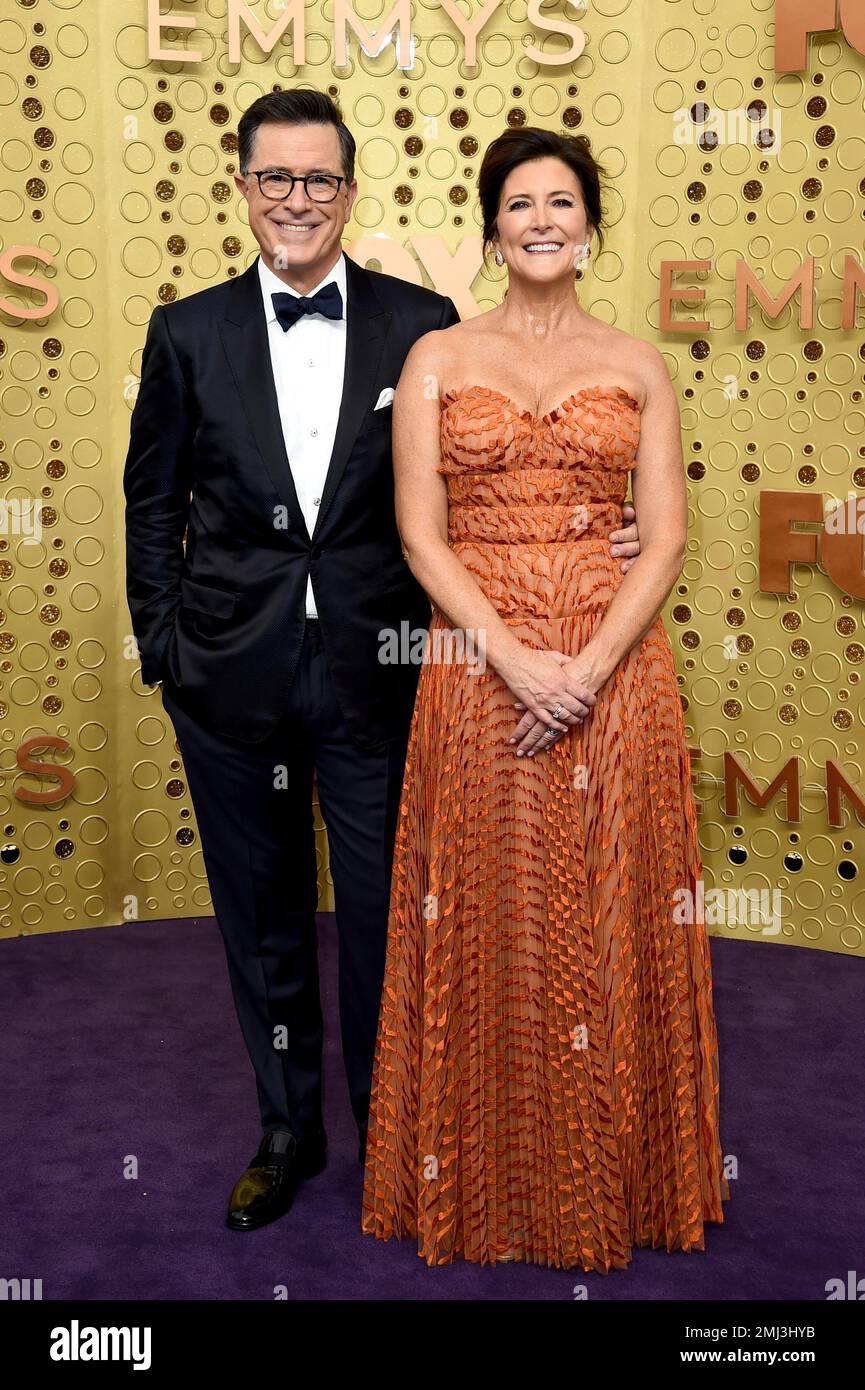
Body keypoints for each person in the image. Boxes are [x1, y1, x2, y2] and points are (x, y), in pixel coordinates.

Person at [123, 91, 644, 1235]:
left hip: (385, 678)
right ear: (246, 188)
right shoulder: (185, 331)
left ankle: (389, 1131)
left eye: (319, 181)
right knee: (260, 922)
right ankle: (285, 1131)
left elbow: (483, 479)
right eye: (276, 179)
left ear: (350, 194)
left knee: (388, 917)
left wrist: (610, 523)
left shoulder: (423, 321)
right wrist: (166, 648)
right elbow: (150, 501)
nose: (297, 200)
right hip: (230, 679)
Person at [361, 126, 730, 1272]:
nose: (539, 220)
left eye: (560, 202)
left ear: (588, 225)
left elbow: (664, 536)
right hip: (476, 672)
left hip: (618, 677)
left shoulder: (638, 360)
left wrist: (586, 668)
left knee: (609, 908)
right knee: (484, 913)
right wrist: (517, 662)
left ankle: (613, 1176)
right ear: (490, 226)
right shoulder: (433, 356)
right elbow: (419, 536)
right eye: (518, 202)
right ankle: (480, 1179)